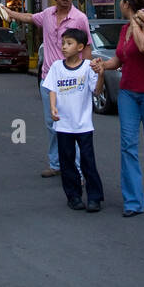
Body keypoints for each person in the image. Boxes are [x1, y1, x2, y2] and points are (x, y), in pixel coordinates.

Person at [91, 0, 144, 217]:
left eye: (121, 0)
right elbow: (120, 59)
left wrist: (137, 22)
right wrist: (103, 64)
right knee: (128, 146)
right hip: (128, 95)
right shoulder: (124, 30)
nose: (118, 3)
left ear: (127, 4)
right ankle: (133, 201)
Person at [2, 0, 89, 177]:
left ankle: (77, 169)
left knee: (73, 125)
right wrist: (10, 13)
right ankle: (56, 163)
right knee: (52, 124)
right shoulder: (48, 14)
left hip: (71, 81)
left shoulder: (80, 18)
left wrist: (86, 75)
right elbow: (29, 17)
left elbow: (87, 48)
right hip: (48, 79)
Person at [42, 28, 104, 212]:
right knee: (67, 162)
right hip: (63, 125)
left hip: (83, 125)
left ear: (80, 47)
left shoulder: (87, 67)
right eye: (63, 43)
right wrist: (53, 107)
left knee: (88, 162)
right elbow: (52, 89)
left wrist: (101, 74)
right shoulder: (56, 67)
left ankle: (94, 197)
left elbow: (97, 91)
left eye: (69, 44)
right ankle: (73, 196)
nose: (64, 47)